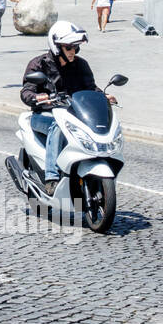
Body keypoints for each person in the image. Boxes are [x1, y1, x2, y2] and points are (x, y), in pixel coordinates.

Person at [21, 21, 116, 196]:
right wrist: (37, 98)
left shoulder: (81, 65)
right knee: (57, 127)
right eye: (69, 47)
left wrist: (103, 96)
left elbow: (90, 88)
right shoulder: (39, 64)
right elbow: (26, 91)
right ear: (57, 47)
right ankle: (51, 177)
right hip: (45, 115)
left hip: (73, 115)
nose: (73, 51)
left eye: (75, 47)